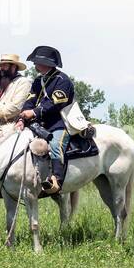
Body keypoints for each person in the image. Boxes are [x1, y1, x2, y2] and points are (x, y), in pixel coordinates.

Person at [18, 46, 87, 195]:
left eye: (37, 62)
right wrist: (23, 116)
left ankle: (56, 181)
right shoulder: (38, 81)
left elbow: (56, 103)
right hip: (39, 123)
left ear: (47, 63)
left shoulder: (63, 80)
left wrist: (34, 112)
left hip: (59, 123)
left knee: (56, 145)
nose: (35, 65)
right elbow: (30, 100)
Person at [0, 54, 32, 127]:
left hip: (11, 125)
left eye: (4, 65)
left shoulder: (23, 82)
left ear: (14, 66)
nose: (1, 68)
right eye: (1, 66)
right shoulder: (3, 82)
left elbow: (16, 107)